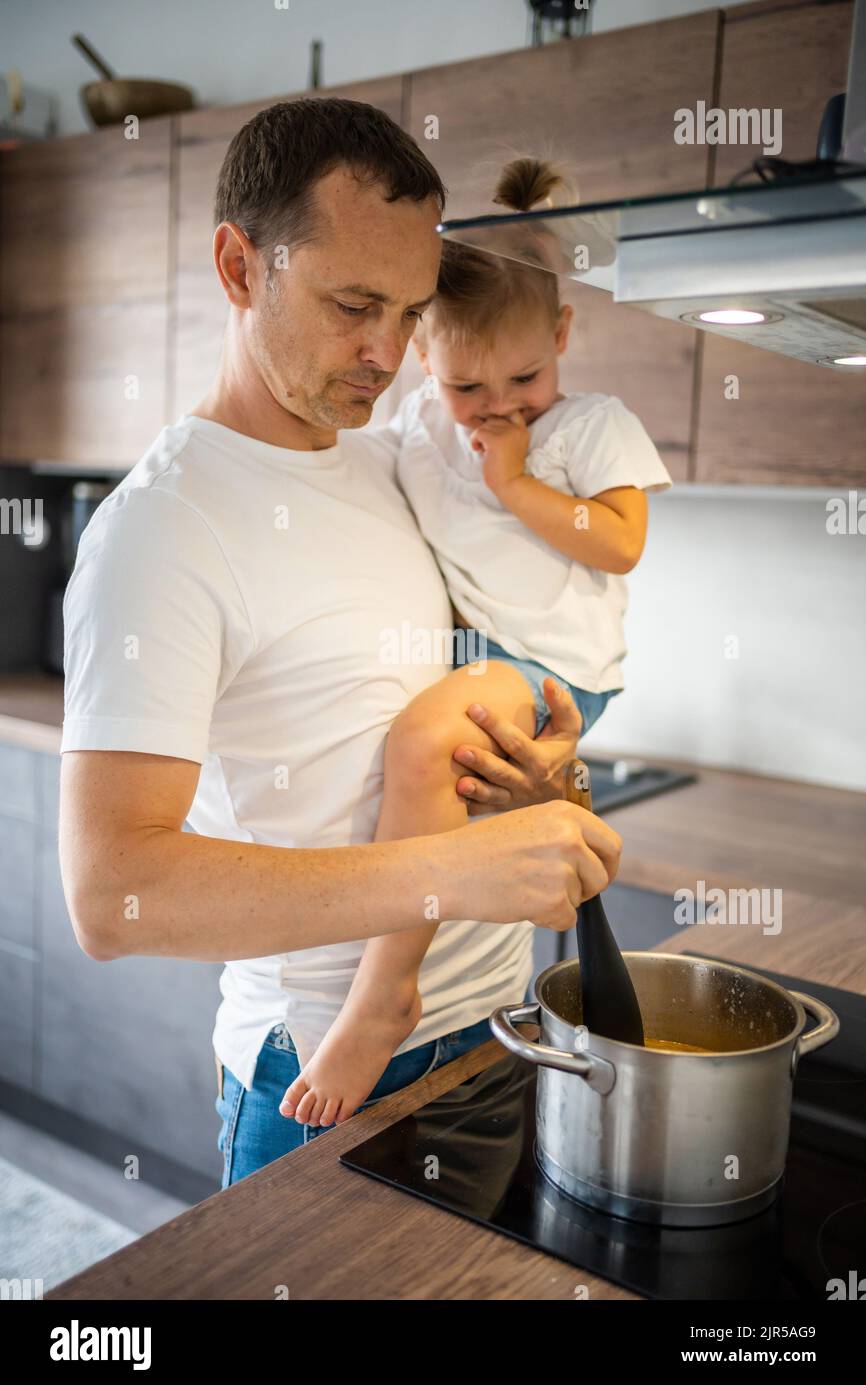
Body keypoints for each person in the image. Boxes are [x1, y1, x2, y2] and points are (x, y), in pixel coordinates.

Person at [58, 100, 621, 1187]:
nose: (386, 353)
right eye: (351, 304)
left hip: (496, 1034)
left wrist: (539, 781)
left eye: (409, 313)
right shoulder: (163, 528)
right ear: (238, 265)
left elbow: (427, 727)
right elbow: (111, 894)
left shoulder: (390, 462)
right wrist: (449, 869)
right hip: (324, 1076)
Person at [280, 157, 672, 1127]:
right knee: (434, 752)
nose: (498, 405)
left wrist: (513, 484)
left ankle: (384, 996)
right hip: (478, 655)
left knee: (424, 741)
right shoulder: (416, 426)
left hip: (556, 672)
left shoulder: (586, 427)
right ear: (423, 360)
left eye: (524, 376)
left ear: (562, 338)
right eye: (465, 383)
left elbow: (619, 542)